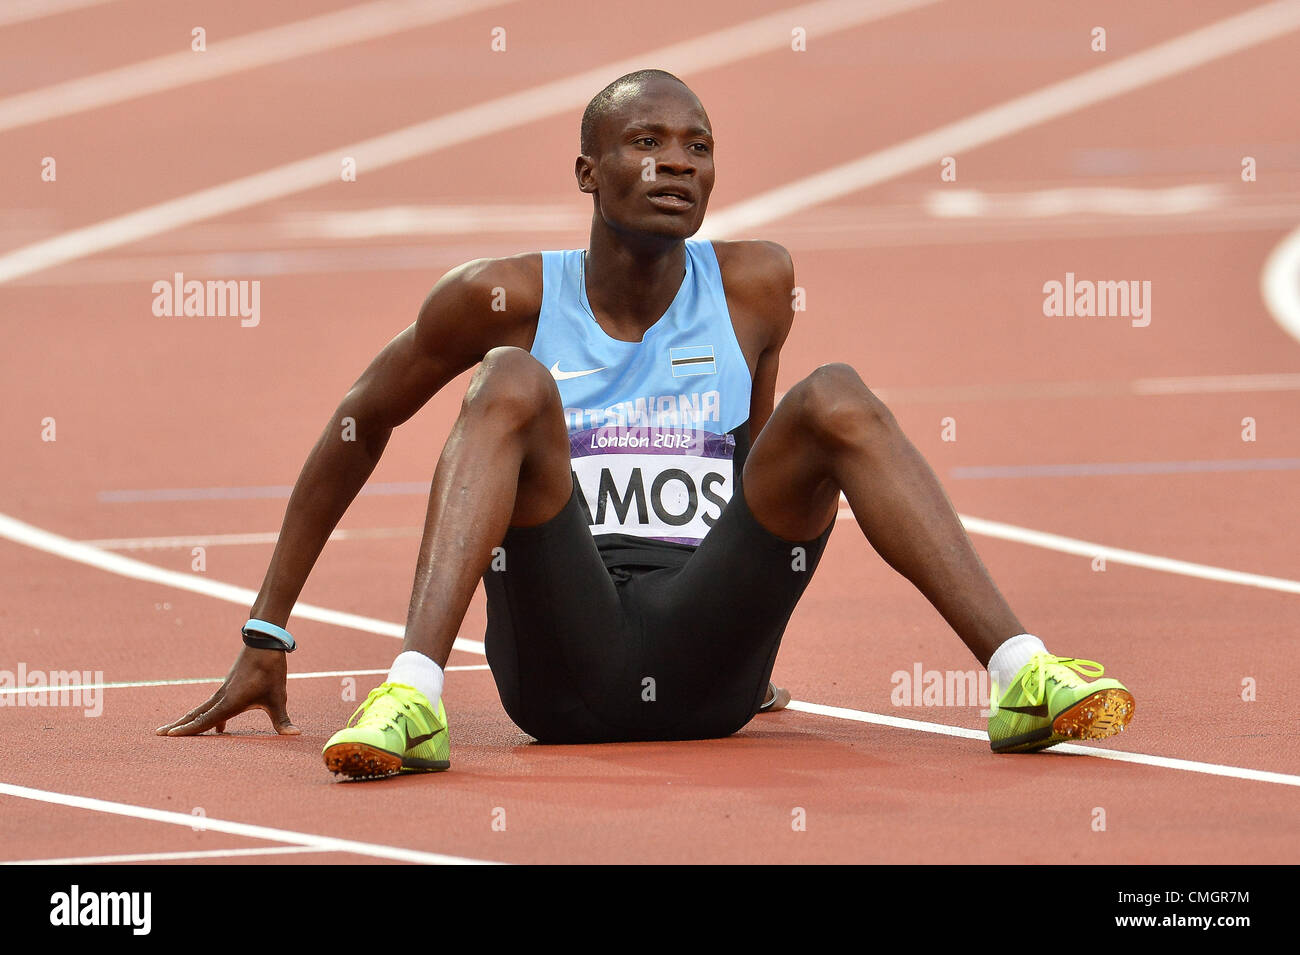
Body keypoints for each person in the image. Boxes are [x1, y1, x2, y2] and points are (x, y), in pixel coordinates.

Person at [156, 69, 1134, 777]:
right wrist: (266, 624)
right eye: (645, 143)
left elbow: (757, 466)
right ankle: (414, 694)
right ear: (585, 172)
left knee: (834, 395)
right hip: (558, 665)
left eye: (698, 147)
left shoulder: (756, 284)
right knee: (508, 379)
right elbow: (359, 423)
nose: (675, 164)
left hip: (709, 671)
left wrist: (751, 598)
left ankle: (1020, 675)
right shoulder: (499, 297)